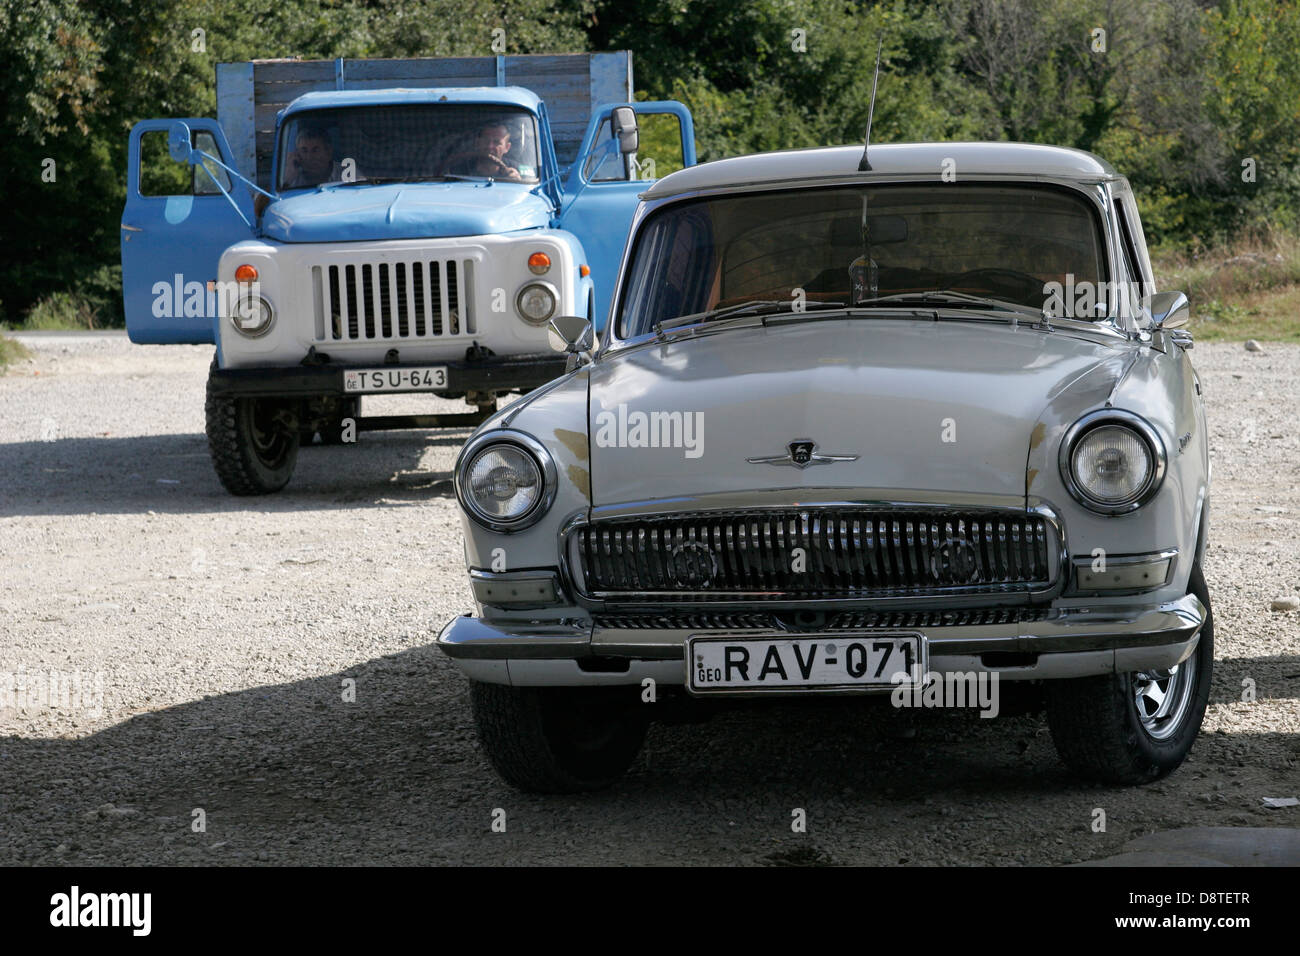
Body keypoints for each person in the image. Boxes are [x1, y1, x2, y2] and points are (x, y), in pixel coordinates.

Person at [443, 122, 522, 181]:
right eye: (485, 141)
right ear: (477, 143)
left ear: (507, 147)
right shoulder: (458, 170)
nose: (490, 146)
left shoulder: (518, 170)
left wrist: (519, 182)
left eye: (497, 142)